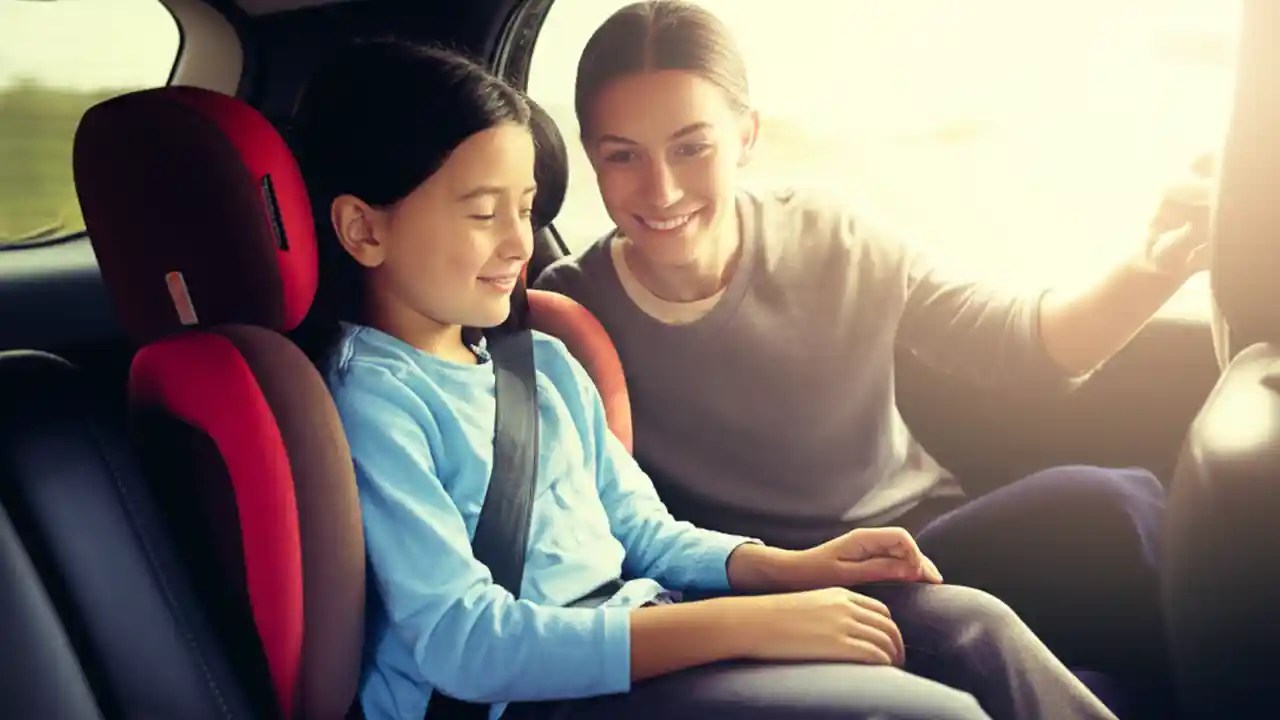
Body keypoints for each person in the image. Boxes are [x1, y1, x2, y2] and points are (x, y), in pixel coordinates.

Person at [288, 38, 1116, 720]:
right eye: (482, 213)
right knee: (916, 713)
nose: (519, 243)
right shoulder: (370, 403)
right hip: (536, 698)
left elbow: (643, 533)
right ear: (364, 229)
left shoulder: (540, 362)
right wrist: (752, 626)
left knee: (970, 626)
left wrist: (798, 569)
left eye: (527, 208)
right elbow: (467, 644)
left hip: (645, 630)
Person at [533, 2, 1213, 717]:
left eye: (691, 148)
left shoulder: (831, 236)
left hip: (916, 542)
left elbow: (1023, 347)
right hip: (766, 592)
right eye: (623, 156)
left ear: (746, 136)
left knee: (1118, 504)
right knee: (975, 636)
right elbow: (612, 534)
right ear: (591, 158)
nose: (662, 189)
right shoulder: (571, 313)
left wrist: (1152, 270)